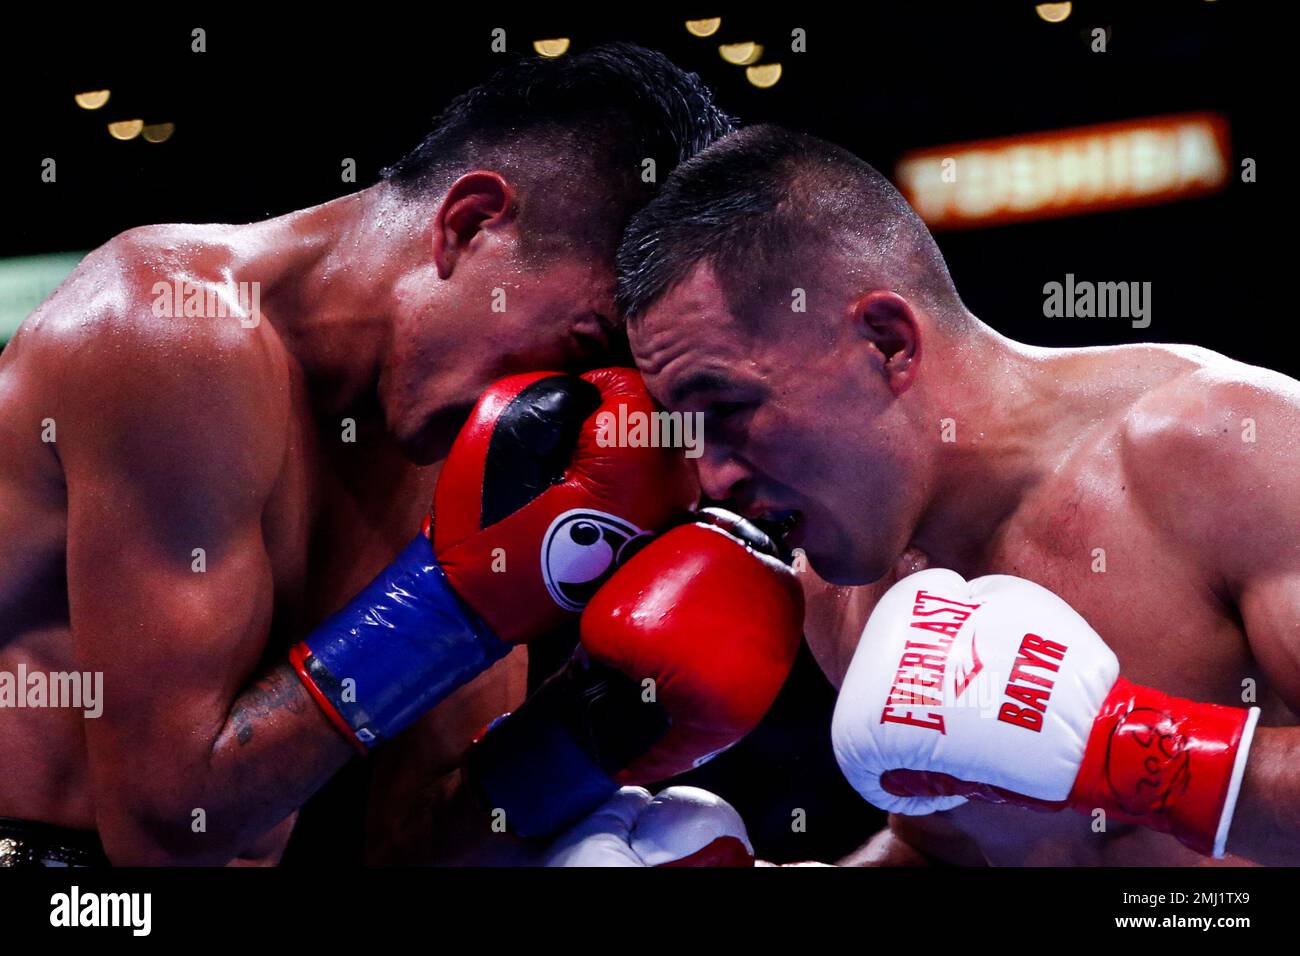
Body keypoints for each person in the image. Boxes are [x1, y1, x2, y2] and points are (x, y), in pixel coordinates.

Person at [0, 44, 737, 866]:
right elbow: (167, 833)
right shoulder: (172, 333)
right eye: (584, 346)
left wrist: (589, 730)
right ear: (469, 223)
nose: (562, 407)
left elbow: (414, 839)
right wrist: (449, 608)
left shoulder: (458, 443)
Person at [616, 124, 1300, 866]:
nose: (713, 479)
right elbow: (948, 850)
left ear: (886, 341)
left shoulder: (1225, 444)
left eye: (726, 408)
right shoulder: (837, 585)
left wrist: (1128, 756)